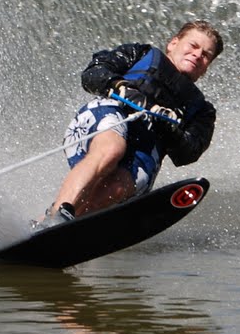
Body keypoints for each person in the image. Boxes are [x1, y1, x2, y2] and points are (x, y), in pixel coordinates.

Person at [36, 20, 224, 227]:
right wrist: (121, 87)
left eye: (206, 55)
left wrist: (170, 127)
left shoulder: (202, 110)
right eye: (193, 46)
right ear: (173, 43)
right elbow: (92, 74)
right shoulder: (140, 54)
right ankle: (59, 213)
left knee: (121, 186)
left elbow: (189, 153)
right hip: (106, 117)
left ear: (207, 67)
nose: (197, 55)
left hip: (146, 146)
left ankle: (55, 224)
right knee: (112, 150)